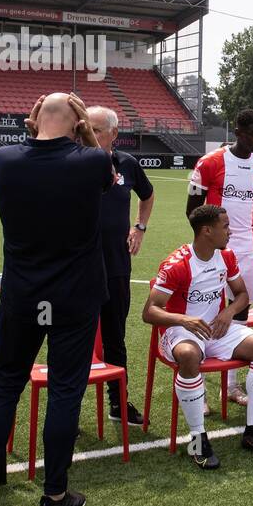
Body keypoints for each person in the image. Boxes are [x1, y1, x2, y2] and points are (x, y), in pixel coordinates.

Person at [0, 94, 112, 506]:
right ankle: (54, 497)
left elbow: (33, 149)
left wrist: (38, 124)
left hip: (24, 294)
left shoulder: (5, 159)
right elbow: (107, 173)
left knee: (3, 384)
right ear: (79, 121)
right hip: (75, 296)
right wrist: (85, 129)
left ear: (34, 118)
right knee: (64, 390)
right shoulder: (90, 161)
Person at [143, 205, 253, 469]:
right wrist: (184, 320)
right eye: (225, 226)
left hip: (216, 329)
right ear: (207, 231)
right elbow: (149, 311)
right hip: (180, 331)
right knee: (189, 355)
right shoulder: (177, 265)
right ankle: (198, 439)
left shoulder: (226, 257)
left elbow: (241, 294)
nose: (231, 231)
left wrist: (228, 312)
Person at [187, 109, 253, 405]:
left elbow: (251, 208)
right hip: (213, 252)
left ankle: (231, 386)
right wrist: (212, 245)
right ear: (237, 132)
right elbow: (193, 211)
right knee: (205, 311)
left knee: (241, 310)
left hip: (247, 249)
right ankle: (199, 387)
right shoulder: (210, 163)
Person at [88, 105, 154, 426]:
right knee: (72, 339)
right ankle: (66, 410)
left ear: (114, 134)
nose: (90, 134)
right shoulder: (73, 164)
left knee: (115, 336)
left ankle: (118, 403)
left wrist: (139, 227)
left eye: (97, 130)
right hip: (77, 268)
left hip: (115, 265)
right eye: (85, 128)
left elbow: (147, 195)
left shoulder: (127, 164)